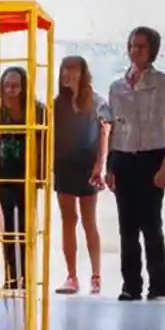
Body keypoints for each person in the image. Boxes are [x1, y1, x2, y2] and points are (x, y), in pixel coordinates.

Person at [105, 26, 165, 301]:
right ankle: (130, 285)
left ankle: (160, 282)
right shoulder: (116, 87)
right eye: (132, 45)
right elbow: (112, 129)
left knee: (151, 224)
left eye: (141, 46)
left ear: (152, 51)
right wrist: (109, 166)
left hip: (152, 157)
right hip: (123, 158)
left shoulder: (163, 83)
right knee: (127, 226)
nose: (135, 50)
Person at [52, 56, 110, 295]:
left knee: (89, 221)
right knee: (68, 220)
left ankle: (96, 276)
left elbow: (105, 133)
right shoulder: (57, 103)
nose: (68, 73)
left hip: (88, 167)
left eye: (73, 69)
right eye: (65, 68)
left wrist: (100, 165)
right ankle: (71, 276)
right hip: (64, 166)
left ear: (83, 72)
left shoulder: (96, 102)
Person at [0, 66, 45, 289]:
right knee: (8, 231)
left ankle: (27, 277)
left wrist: (40, 173)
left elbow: (44, 144)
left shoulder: (37, 111)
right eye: (7, 86)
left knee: (27, 229)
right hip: (4, 178)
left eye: (16, 86)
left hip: (28, 177)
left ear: (24, 87)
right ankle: (11, 278)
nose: (12, 90)